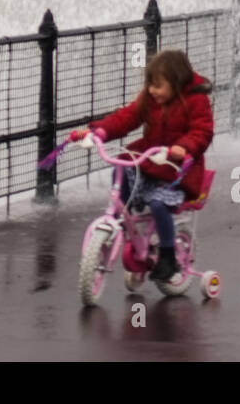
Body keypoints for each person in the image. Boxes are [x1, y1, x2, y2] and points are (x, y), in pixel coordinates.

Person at [70, 49, 213, 281]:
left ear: (176, 84)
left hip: (178, 171)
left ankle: (168, 257)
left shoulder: (196, 100)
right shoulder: (150, 99)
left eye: (158, 85)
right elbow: (127, 117)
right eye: (150, 84)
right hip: (151, 158)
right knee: (123, 166)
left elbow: (202, 131)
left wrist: (183, 148)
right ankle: (123, 219)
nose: (151, 90)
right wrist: (100, 131)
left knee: (158, 204)